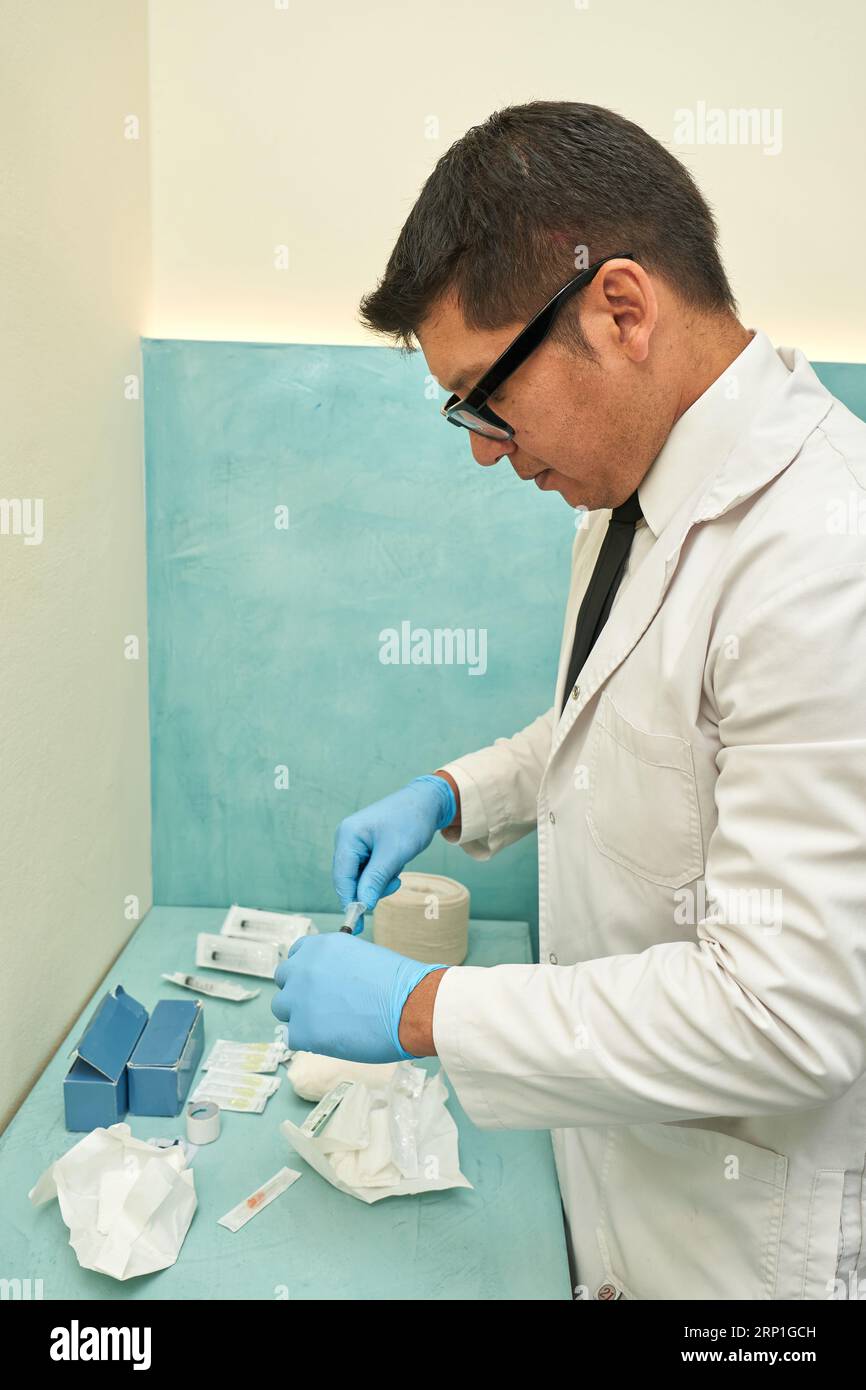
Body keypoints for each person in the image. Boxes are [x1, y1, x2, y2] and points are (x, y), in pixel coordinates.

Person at [272, 101, 866, 1301]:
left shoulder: (822, 554)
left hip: (747, 1267)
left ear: (621, 309)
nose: (485, 449)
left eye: (485, 396)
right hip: (620, 1187)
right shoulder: (628, 492)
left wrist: (432, 1009)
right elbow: (624, 721)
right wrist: (458, 791)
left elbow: (783, 1017)